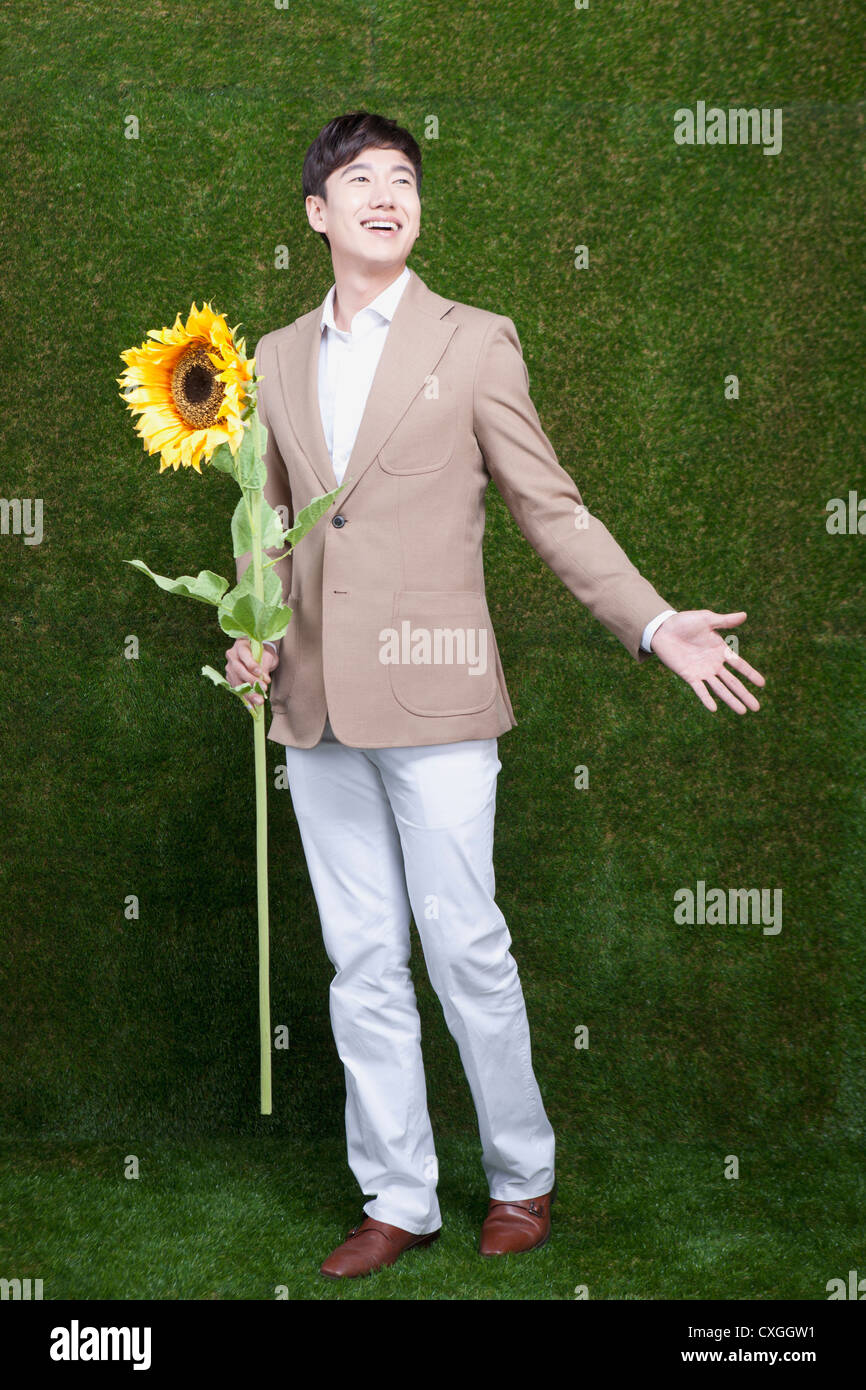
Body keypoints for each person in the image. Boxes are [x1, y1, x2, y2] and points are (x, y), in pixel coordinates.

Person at [225, 111, 765, 1280]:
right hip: (312, 709)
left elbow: (549, 505)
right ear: (316, 213)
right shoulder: (267, 357)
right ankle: (399, 1194)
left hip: (440, 704)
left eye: (404, 178)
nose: (385, 192)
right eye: (358, 179)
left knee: (464, 945)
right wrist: (249, 628)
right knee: (360, 959)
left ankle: (521, 1175)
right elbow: (262, 524)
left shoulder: (473, 342)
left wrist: (654, 620)